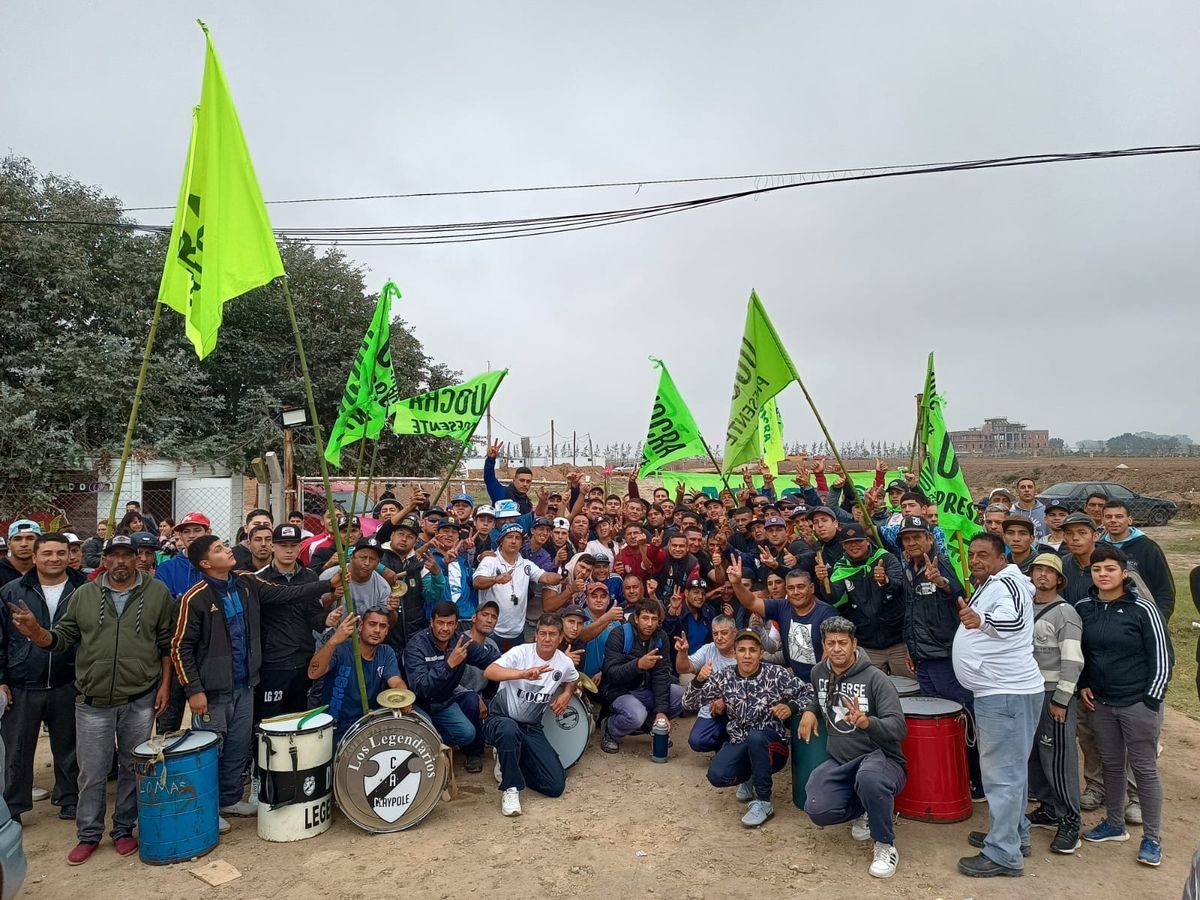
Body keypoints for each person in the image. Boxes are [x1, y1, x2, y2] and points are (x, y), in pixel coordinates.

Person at [6, 534, 173, 865]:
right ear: (105, 560)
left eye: (129, 555)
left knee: (132, 768)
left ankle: (124, 829)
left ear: (138, 558)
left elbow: (165, 642)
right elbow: (63, 638)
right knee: (92, 772)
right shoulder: (84, 594)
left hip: (140, 698)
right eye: (115, 555)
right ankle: (89, 833)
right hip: (93, 701)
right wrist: (36, 632)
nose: (122, 561)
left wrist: (164, 685)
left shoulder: (157, 593)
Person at [171, 535, 337, 832]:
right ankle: (207, 809)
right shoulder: (194, 598)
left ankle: (230, 799)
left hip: (246, 683)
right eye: (219, 550)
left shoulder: (247, 582)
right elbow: (180, 647)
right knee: (212, 749)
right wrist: (193, 689)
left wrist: (328, 584)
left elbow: (288, 593)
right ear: (206, 563)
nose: (228, 551)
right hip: (212, 690)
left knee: (237, 746)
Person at [953, 532, 1044, 878]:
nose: (975, 560)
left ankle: (1003, 852)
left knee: (1002, 776)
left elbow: (1017, 621)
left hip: (1006, 693)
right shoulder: (996, 582)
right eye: (972, 555)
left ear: (1001, 558)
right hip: (1004, 692)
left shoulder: (1009, 583)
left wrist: (983, 621)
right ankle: (1012, 835)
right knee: (1011, 771)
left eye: (983, 555)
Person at [1078, 545, 1173, 868]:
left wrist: (1151, 700)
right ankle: (1115, 824)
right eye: (1097, 569)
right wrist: (1084, 684)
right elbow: (1084, 654)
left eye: (1109, 569)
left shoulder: (1143, 609)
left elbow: (1162, 657)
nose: (1103, 574)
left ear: (1124, 573)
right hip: (1101, 703)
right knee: (1112, 765)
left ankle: (1152, 838)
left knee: (1144, 769)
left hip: (1137, 702)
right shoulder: (1085, 607)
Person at [799, 616, 907, 879]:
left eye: (843, 643)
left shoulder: (876, 679)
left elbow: (899, 728)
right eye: (831, 643)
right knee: (816, 808)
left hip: (882, 759)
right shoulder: (818, 673)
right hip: (841, 761)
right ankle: (864, 810)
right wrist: (810, 710)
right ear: (823, 645)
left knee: (869, 777)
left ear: (854, 644)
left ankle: (884, 845)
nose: (837, 648)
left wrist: (866, 722)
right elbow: (817, 696)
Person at [684, 628, 811, 827]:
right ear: (734, 653)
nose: (747, 655)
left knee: (756, 737)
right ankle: (751, 775)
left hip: (771, 745)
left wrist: (791, 706)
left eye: (753, 650)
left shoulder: (776, 674)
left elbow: (809, 692)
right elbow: (688, 703)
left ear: (761, 653)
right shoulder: (724, 677)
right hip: (740, 741)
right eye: (742, 650)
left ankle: (763, 801)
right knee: (717, 775)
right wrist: (699, 680)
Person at [0, 532, 85, 824]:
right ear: (35, 557)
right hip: (23, 681)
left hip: (68, 680)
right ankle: (14, 807)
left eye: (61, 553)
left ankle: (69, 798)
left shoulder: (83, 588)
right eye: (47, 553)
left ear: (69, 555)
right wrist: (1, 679)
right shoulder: (11, 591)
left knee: (69, 746)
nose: (54, 559)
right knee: (17, 750)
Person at [482, 614, 579, 816]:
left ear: (560, 638)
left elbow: (573, 679)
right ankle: (510, 788)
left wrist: (568, 694)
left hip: (531, 727)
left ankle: (509, 759)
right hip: (501, 719)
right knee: (508, 731)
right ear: (535, 635)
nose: (546, 638)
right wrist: (522, 673)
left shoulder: (564, 663)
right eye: (542, 633)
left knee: (555, 786)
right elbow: (490, 671)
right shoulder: (520, 653)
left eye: (552, 634)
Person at [1026, 552, 1085, 854]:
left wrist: (1062, 699)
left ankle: (1071, 820)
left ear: (1059, 579)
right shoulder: (1025, 607)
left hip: (1053, 694)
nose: (1042, 576)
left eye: (1049, 572)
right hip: (1029, 691)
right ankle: (1049, 808)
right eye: (1038, 570)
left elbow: (1073, 660)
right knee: (1036, 755)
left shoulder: (1065, 613)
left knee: (1059, 758)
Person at [404, 601, 501, 774]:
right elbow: (420, 687)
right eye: (440, 623)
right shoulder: (416, 645)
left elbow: (490, 658)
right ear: (431, 622)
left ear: (456, 625)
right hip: (420, 704)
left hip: (444, 702)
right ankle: (429, 740)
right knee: (423, 738)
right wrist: (448, 665)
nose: (445, 628)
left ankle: (437, 739)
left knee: (467, 734)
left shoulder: (460, 641)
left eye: (450, 624)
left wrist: (526, 663)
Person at [254, 523, 332, 721]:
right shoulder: (261, 579)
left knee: (300, 719)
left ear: (300, 547)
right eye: (283, 545)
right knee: (270, 721)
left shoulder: (309, 576)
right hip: (273, 663)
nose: (288, 550)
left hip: (303, 660)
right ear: (273, 546)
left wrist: (327, 619)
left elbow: (314, 619)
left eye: (293, 545)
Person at [728, 557, 836, 682]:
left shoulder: (827, 613)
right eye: (791, 588)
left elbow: (831, 652)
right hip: (796, 679)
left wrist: (821, 684)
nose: (796, 592)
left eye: (800, 587)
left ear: (811, 588)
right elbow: (751, 602)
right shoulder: (782, 607)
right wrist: (737, 583)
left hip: (823, 680)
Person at [309, 610, 408, 745]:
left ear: (387, 631)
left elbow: (396, 682)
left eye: (382, 626)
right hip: (335, 725)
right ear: (360, 626)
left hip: (367, 723)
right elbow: (313, 673)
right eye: (372, 624)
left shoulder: (386, 652)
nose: (377, 630)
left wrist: (404, 698)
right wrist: (333, 641)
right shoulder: (340, 648)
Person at [598, 599, 684, 753]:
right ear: (636, 618)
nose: (650, 624)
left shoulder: (660, 637)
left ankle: (651, 724)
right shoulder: (619, 634)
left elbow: (661, 675)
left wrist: (661, 713)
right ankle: (610, 728)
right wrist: (638, 665)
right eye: (645, 618)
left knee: (681, 695)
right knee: (636, 715)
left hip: (645, 689)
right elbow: (611, 673)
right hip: (619, 692)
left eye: (654, 619)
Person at [825, 523, 907, 674]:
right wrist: (823, 580)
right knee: (872, 692)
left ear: (868, 540)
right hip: (867, 646)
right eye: (848, 543)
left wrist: (885, 581)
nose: (854, 545)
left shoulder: (886, 558)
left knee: (909, 689)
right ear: (843, 546)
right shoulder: (841, 568)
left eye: (858, 541)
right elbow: (834, 598)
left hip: (898, 643)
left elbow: (899, 587)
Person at [472, 522, 564, 650]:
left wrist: (560, 577)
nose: (514, 541)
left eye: (518, 538)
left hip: (517, 632)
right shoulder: (490, 560)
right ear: (501, 541)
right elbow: (477, 581)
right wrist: (495, 579)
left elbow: (545, 577)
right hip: (491, 631)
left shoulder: (526, 564)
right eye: (509, 537)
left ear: (522, 543)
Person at [1099, 500, 1175, 623]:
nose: (1113, 520)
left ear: (1129, 520)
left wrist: (1159, 619)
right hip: (1105, 617)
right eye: (1108, 517)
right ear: (1102, 521)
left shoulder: (1148, 548)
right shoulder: (1098, 548)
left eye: (1119, 516)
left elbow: (1164, 589)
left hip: (1140, 618)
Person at [674, 614, 738, 752]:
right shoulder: (709, 649)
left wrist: (726, 701)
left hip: (739, 710)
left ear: (734, 633)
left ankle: (733, 748)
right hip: (710, 710)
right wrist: (683, 652)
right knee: (697, 741)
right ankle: (724, 745)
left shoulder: (744, 653)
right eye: (715, 633)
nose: (719, 637)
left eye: (724, 633)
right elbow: (683, 668)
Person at [0, 520, 40, 586]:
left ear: (39, 543)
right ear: (9, 544)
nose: (24, 544)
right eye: (17, 539)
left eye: (30, 538)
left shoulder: (47, 569)